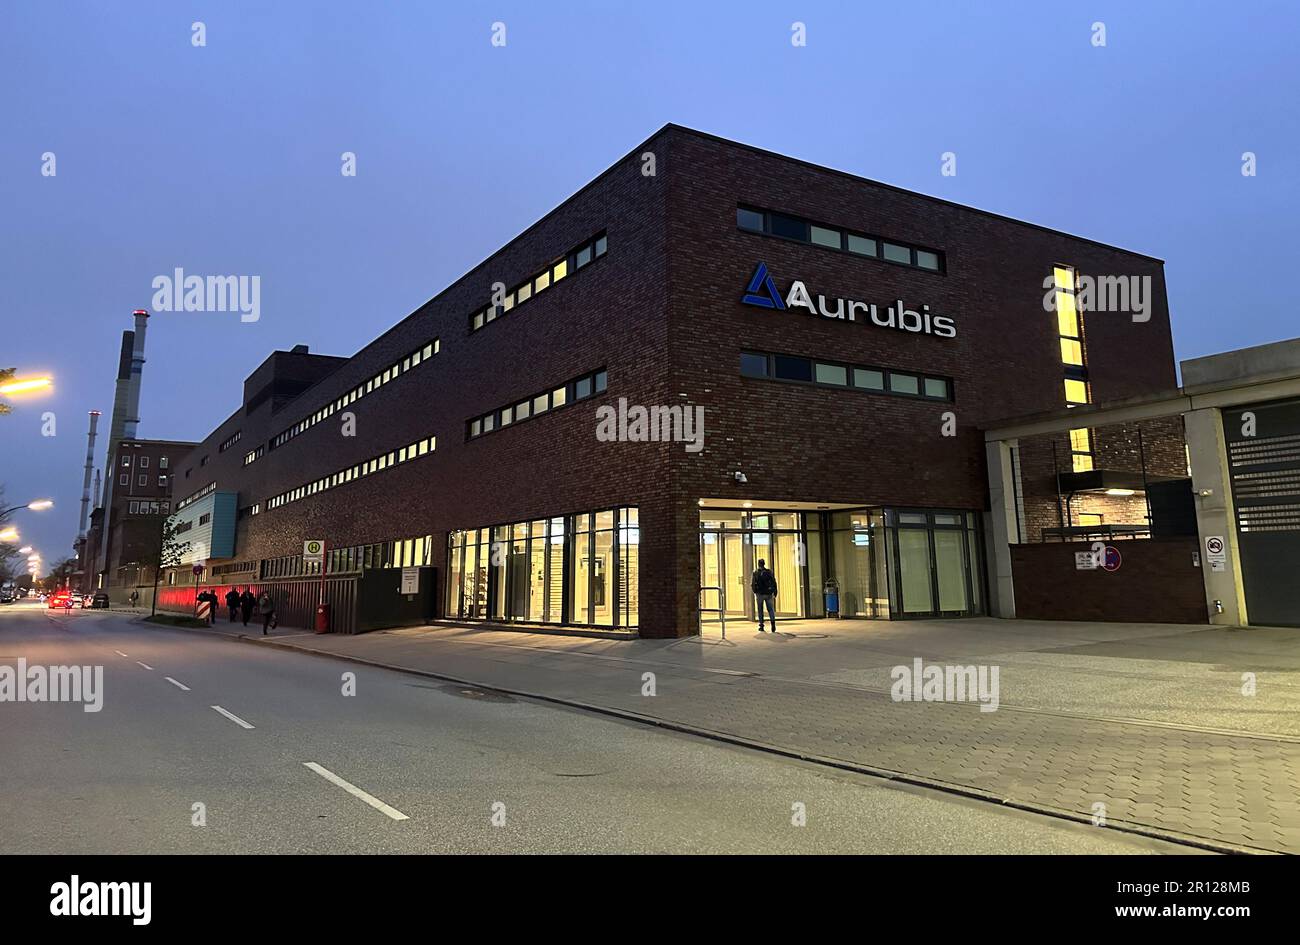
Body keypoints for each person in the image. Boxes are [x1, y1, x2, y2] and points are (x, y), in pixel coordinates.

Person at [751, 558, 778, 633]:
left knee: (760, 609)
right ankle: (773, 624)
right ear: (764, 564)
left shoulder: (756, 572)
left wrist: (755, 591)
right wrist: (775, 591)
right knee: (770, 609)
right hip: (769, 593)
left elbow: (753, 583)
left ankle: (761, 625)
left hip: (760, 594)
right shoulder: (769, 572)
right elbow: (774, 581)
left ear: (758, 564)